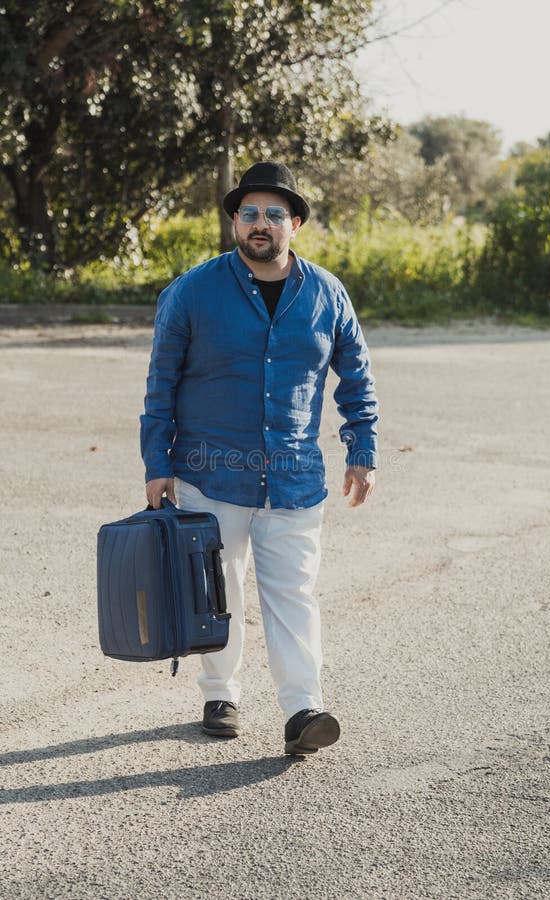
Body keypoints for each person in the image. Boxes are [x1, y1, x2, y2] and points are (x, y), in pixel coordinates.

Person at [141, 161, 378, 756]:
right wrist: (156, 462)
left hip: (294, 478)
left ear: (294, 223)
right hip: (208, 474)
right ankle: (220, 692)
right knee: (220, 590)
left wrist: (362, 446)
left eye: (275, 213)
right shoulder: (194, 290)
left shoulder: (326, 292)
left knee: (293, 592)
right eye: (249, 213)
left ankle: (304, 708)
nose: (260, 224)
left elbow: (356, 373)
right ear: (235, 222)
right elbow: (161, 380)